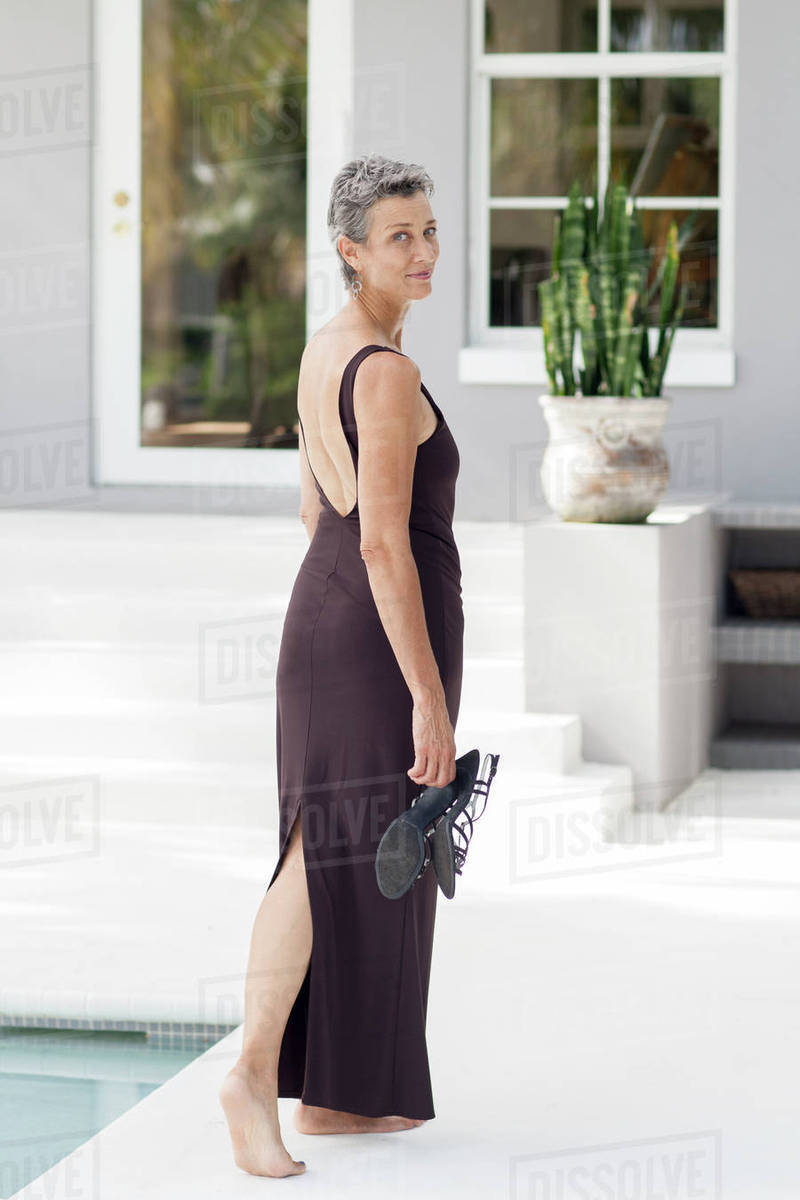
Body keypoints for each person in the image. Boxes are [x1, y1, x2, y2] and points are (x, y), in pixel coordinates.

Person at [219, 153, 464, 1178]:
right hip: (368, 631)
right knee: (326, 854)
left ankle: (338, 1097)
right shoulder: (387, 371)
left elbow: (317, 509)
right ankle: (249, 1076)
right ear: (348, 250)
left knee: (343, 848)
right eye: (395, 236)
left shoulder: (331, 349)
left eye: (426, 230)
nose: (420, 252)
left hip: (330, 618)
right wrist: (424, 697)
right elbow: (379, 540)